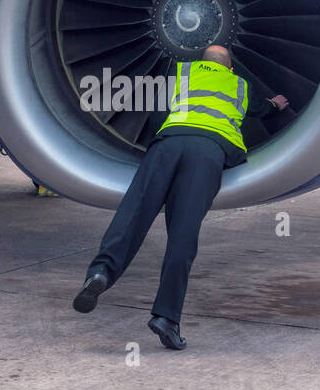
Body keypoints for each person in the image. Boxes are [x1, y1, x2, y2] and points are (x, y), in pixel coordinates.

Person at [71, 44, 289, 350]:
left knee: (135, 210)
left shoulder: (179, 73)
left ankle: (101, 272)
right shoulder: (238, 84)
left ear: (201, 63)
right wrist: (275, 104)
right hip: (210, 150)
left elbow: (159, 112)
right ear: (228, 68)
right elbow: (262, 110)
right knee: (183, 233)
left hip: (169, 142)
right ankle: (166, 317)